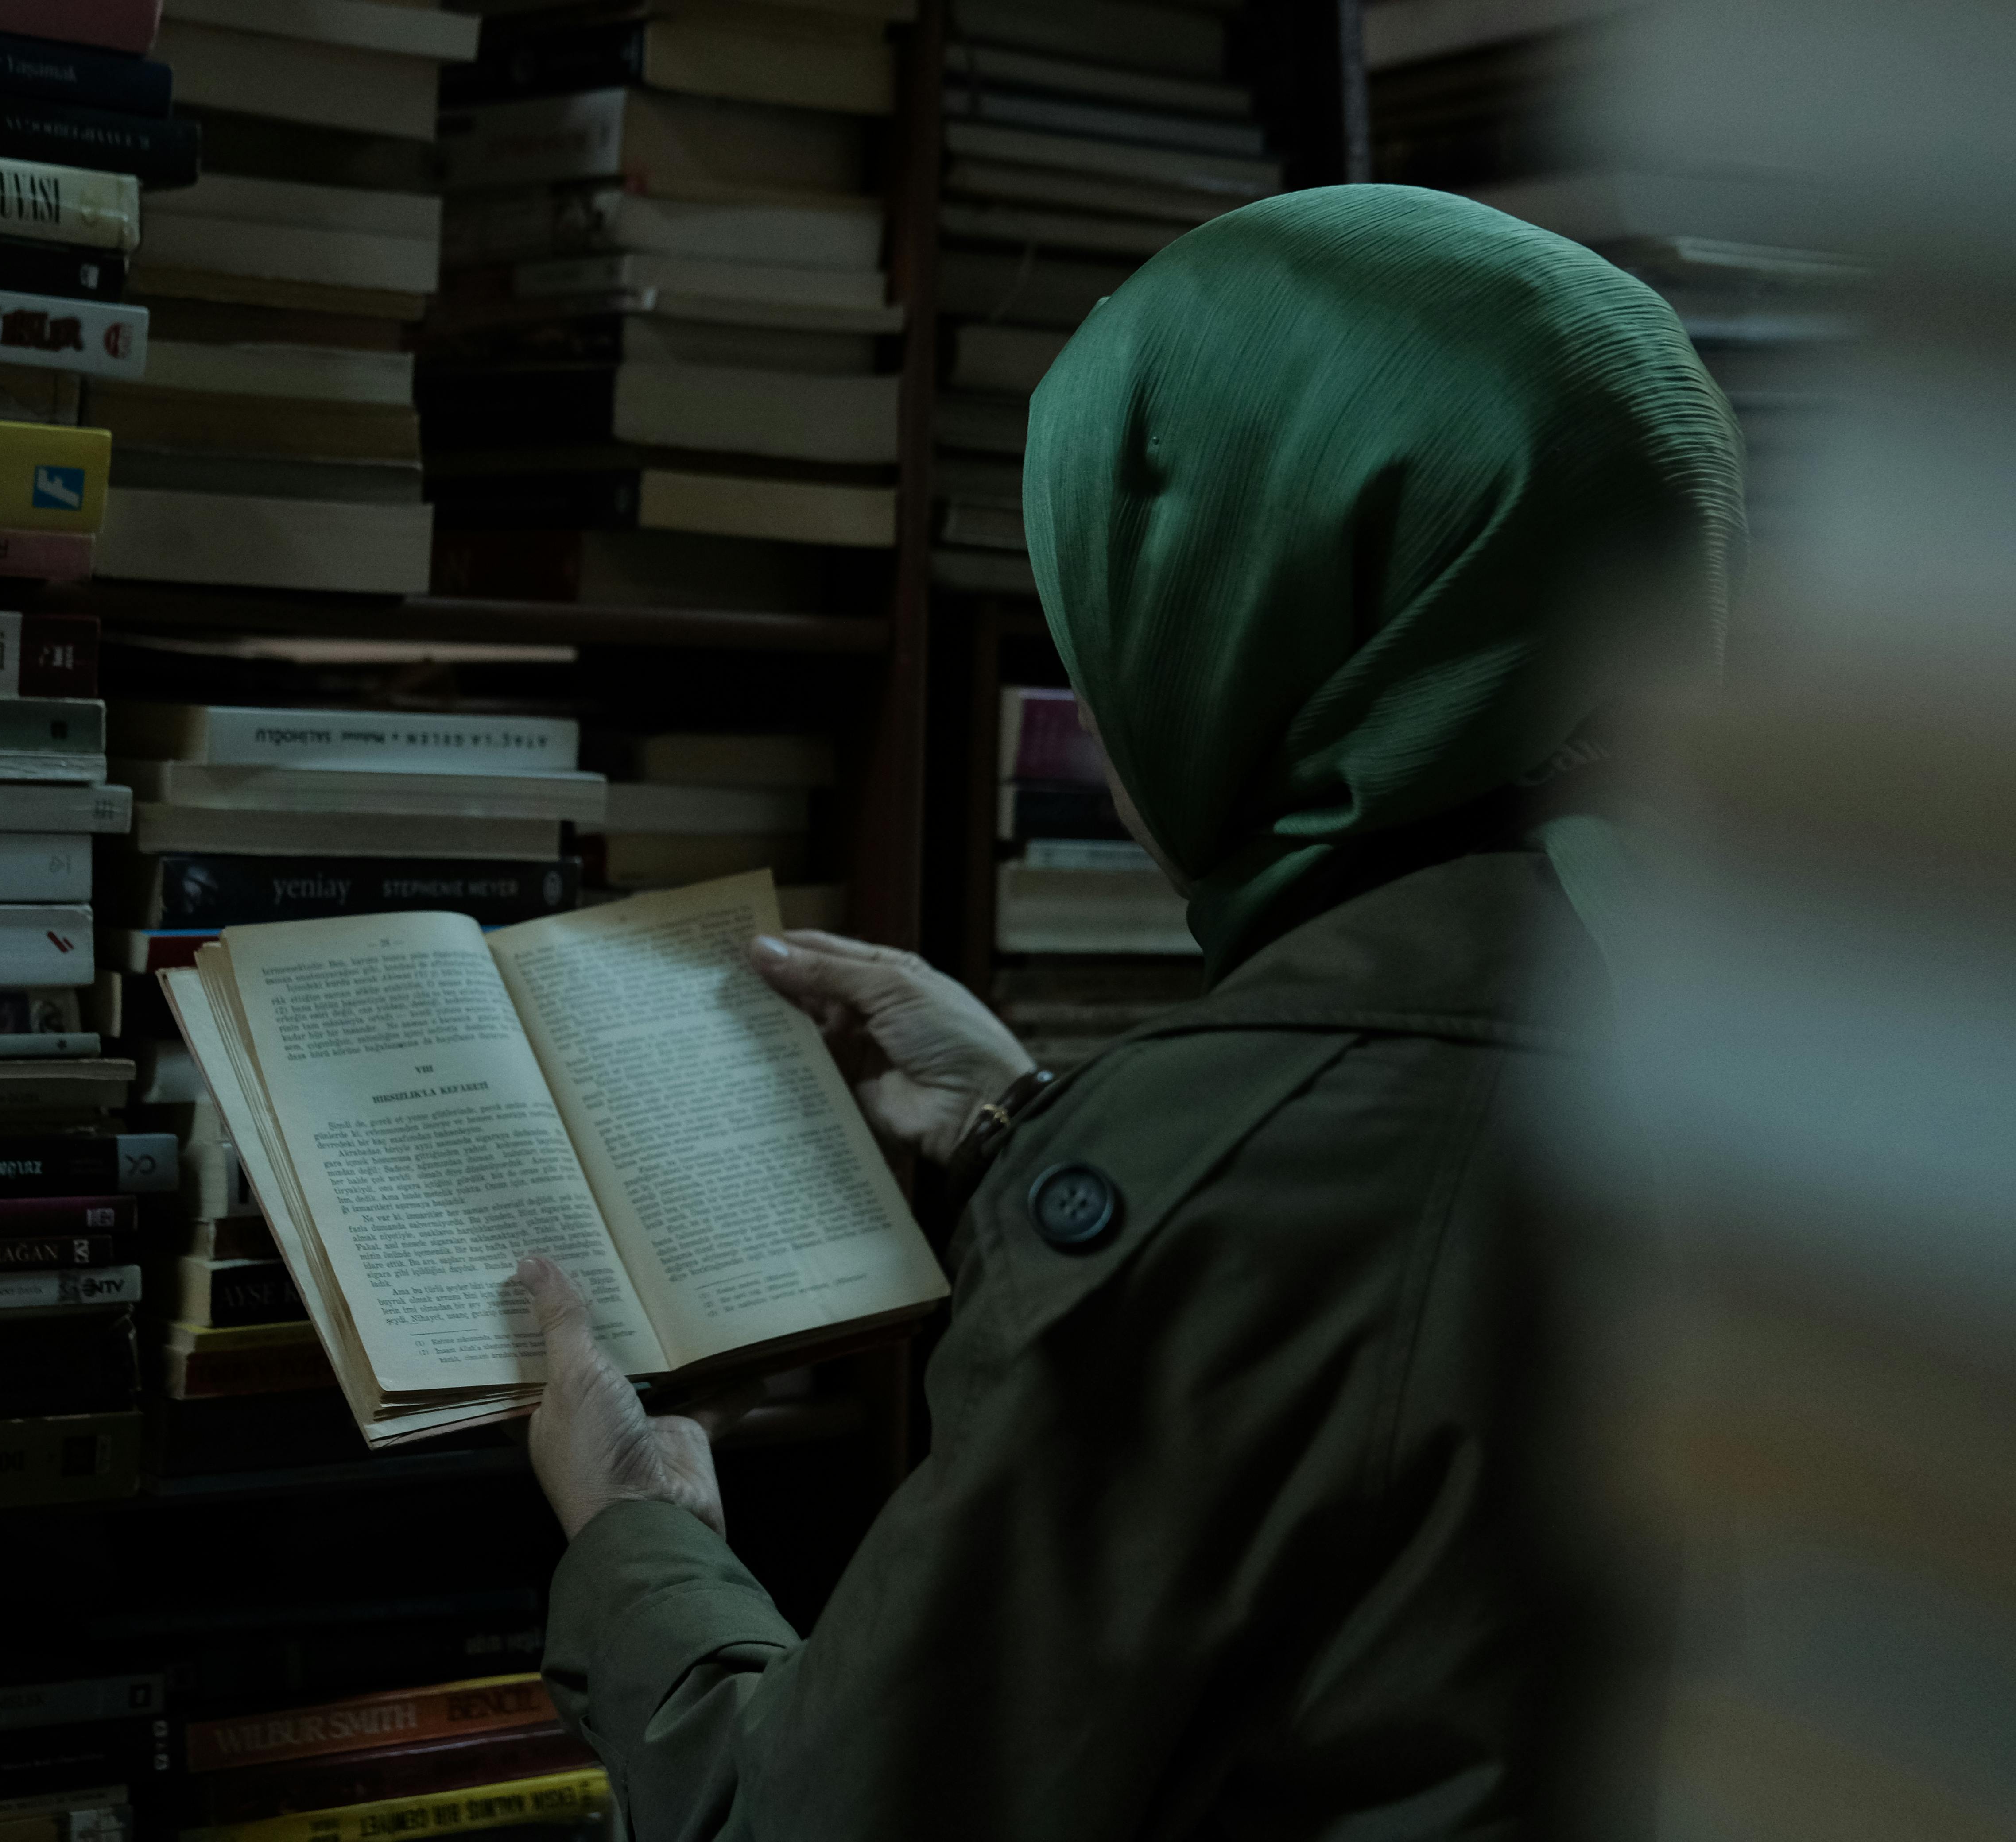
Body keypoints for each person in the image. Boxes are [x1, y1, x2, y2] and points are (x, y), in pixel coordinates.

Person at [509, 185, 1743, 1839]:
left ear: (1272, 615)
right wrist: (1035, 1123)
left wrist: (633, 1541)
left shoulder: (1232, 1178)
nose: (1096, 702)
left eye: (1133, 598)